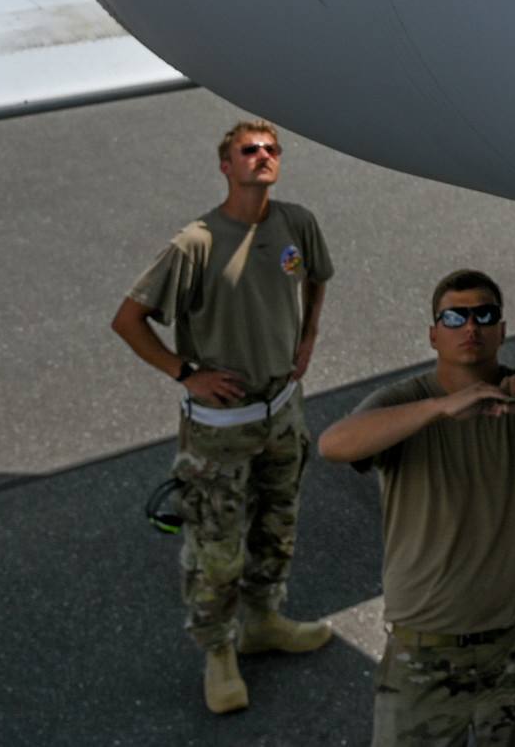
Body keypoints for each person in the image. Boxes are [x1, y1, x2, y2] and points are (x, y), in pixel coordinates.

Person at [318, 269, 515, 747]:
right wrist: (439, 409)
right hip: (424, 654)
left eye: (484, 316)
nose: (471, 327)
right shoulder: (404, 401)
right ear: (434, 335)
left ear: (502, 330)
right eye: (454, 317)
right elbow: (333, 444)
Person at [112, 120, 337, 715]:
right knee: (217, 547)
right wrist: (186, 373)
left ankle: (263, 622)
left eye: (271, 149)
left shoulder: (296, 223)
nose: (262, 155)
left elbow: (317, 276)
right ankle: (218, 653)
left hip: (281, 412)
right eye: (248, 150)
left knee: (277, 526)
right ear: (226, 166)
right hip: (221, 428)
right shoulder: (197, 244)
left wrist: (309, 335)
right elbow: (129, 320)